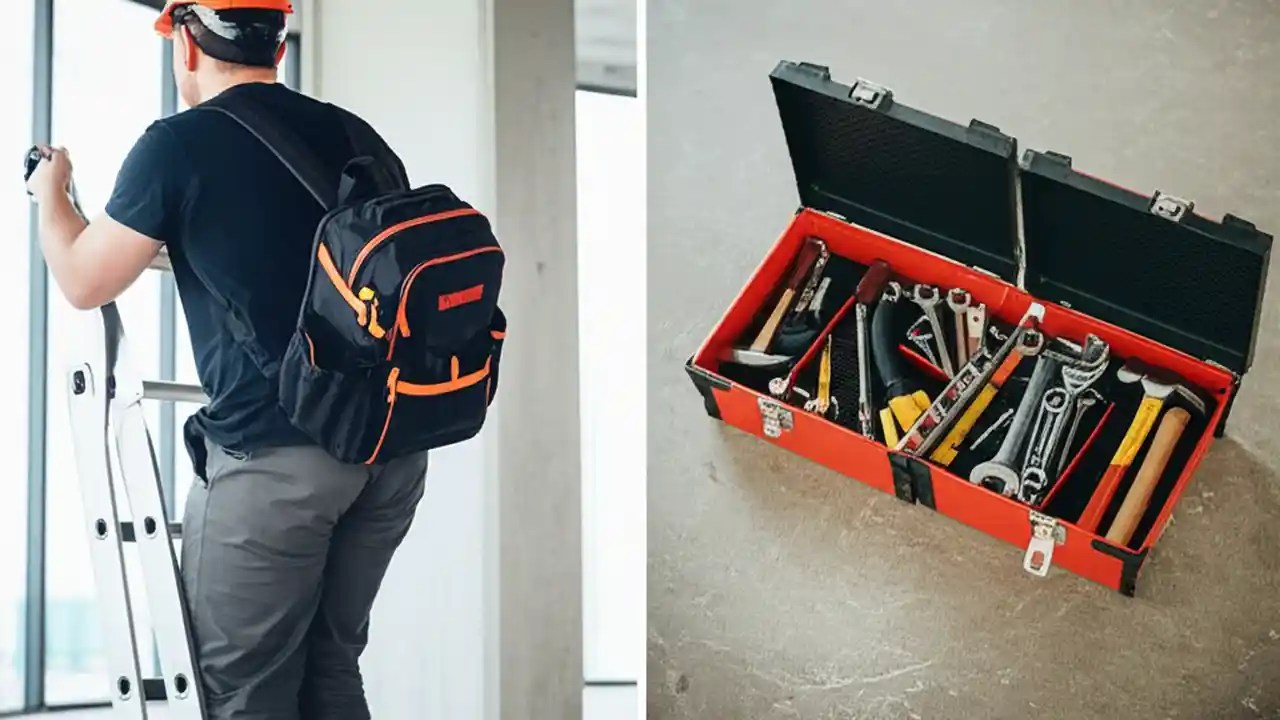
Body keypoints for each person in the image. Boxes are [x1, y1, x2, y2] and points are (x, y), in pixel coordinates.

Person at [26, 2, 427, 718]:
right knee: (332, 671)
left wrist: (50, 195)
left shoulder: (178, 146)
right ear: (275, 42)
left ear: (186, 41)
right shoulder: (354, 134)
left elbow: (85, 279)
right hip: (390, 456)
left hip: (276, 459)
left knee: (240, 697)